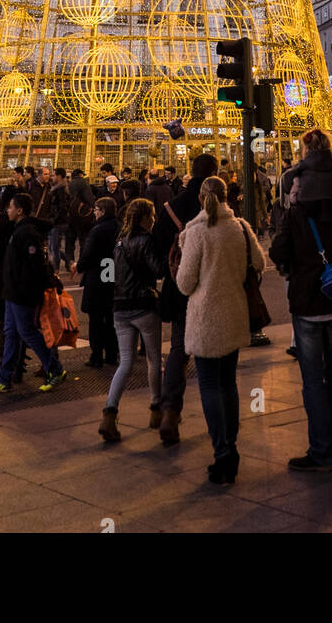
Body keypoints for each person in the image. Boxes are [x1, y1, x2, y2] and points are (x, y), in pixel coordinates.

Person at [269, 130, 332, 472]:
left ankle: (320, 451)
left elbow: (278, 250)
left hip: (308, 302)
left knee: (313, 380)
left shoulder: (296, 211)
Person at [175, 176, 265, 483]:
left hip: (205, 320)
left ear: (201, 198)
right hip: (234, 314)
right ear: (228, 197)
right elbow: (260, 263)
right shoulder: (239, 227)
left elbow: (185, 284)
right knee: (228, 383)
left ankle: (222, 451)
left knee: (210, 386)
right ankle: (231, 447)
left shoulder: (196, 232)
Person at [153, 151, 219, 445]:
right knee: (214, 354)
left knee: (178, 350)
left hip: (181, 287)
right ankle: (218, 422)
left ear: (190, 173)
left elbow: (155, 248)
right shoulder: (220, 208)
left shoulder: (172, 207)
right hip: (212, 288)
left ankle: (169, 411)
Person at [98, 198, 167, 443]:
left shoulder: (119, 243)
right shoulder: (146, 240)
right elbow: (157, 270)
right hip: (143, 305)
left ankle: (110, 411)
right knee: (153, 359)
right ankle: (156, 408)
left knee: (125, 362)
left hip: (120, 306)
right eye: (153, 214)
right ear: (147, 217)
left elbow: (110, 274)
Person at [0, 193, 66, 394]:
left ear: (19, 210)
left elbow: (36, 264)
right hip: (12, 291)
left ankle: (54, 369)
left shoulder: (26, 233)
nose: (7, 210)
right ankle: (5, 378)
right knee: (11, 333)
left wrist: (39, 285)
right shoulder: (20, 230)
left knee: (26, 331)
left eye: (10, 207)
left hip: (22, 292)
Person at [74, 196, 120, 368]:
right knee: (110, 318)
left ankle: (96, 355)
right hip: (112, 276)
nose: (94, 212)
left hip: (97, 276)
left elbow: (88, 254)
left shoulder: (97, 230)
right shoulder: (119, 227)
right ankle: (112, 354)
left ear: (102, 211)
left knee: (95, 319)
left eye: (96, 210)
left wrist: (79, 266)